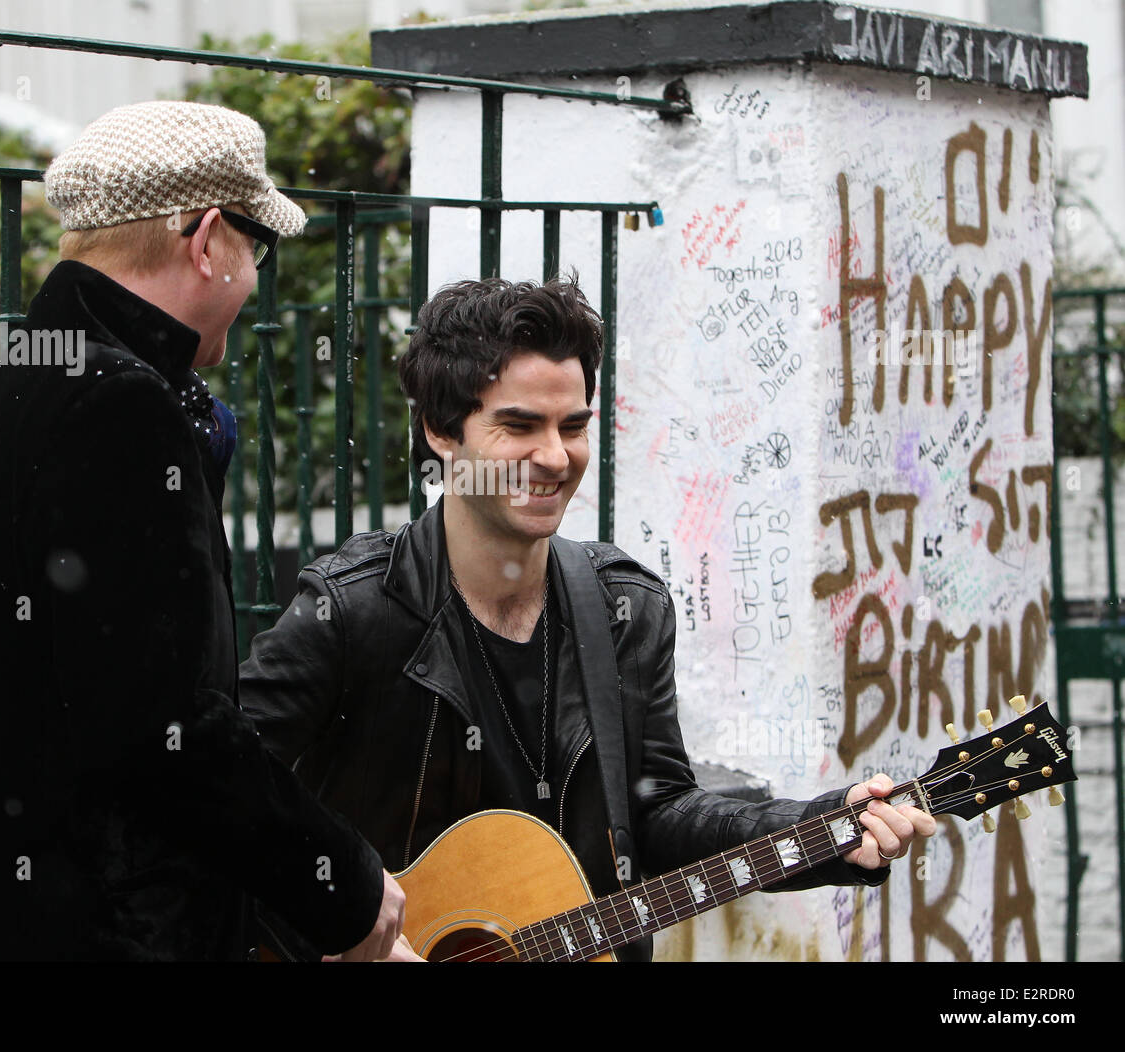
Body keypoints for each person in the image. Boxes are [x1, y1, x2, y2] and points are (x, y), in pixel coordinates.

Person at [0, 101, 404, 961]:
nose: (255, 274)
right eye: (258, 245)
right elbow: (166, 732)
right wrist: (347, 889)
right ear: (209, 239)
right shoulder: (123, 405)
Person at [239, 276, 936, 962]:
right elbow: (215, 788)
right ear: (440, 431)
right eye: (519, 425)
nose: (554, 456)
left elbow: (657, 811)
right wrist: (343, 920)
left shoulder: (625, 609)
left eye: (573, 427)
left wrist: (821, 828)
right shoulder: (354, 608)